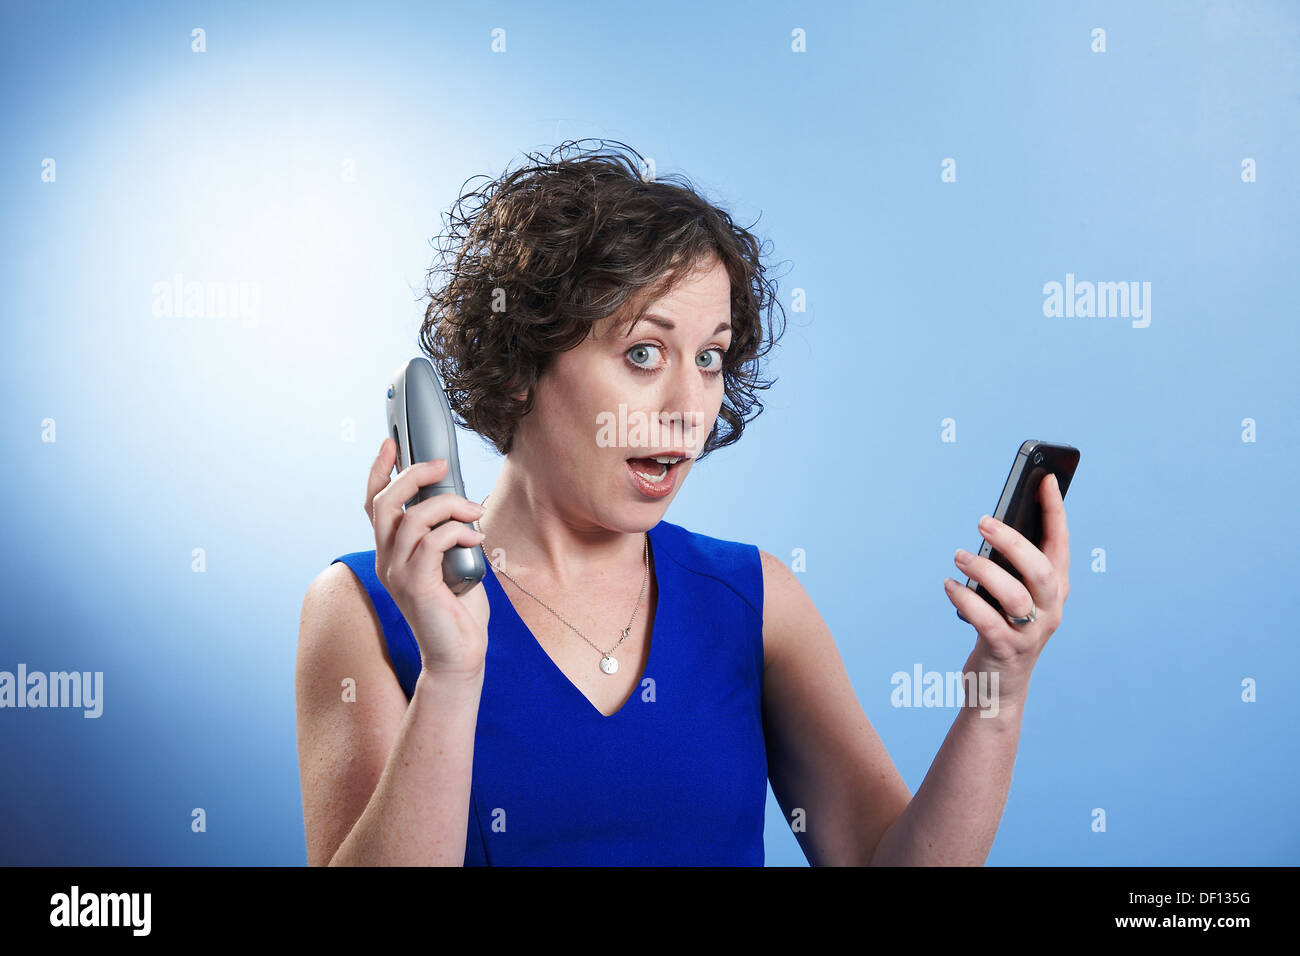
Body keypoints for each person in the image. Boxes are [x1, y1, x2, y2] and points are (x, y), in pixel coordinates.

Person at [294, 140, 1072, 866]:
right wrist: (452, 675)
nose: (687, 405)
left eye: (709, 357)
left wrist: (1001, 678)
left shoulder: (755, 600)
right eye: (642, 352)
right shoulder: (362, 607)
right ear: (521, 363)